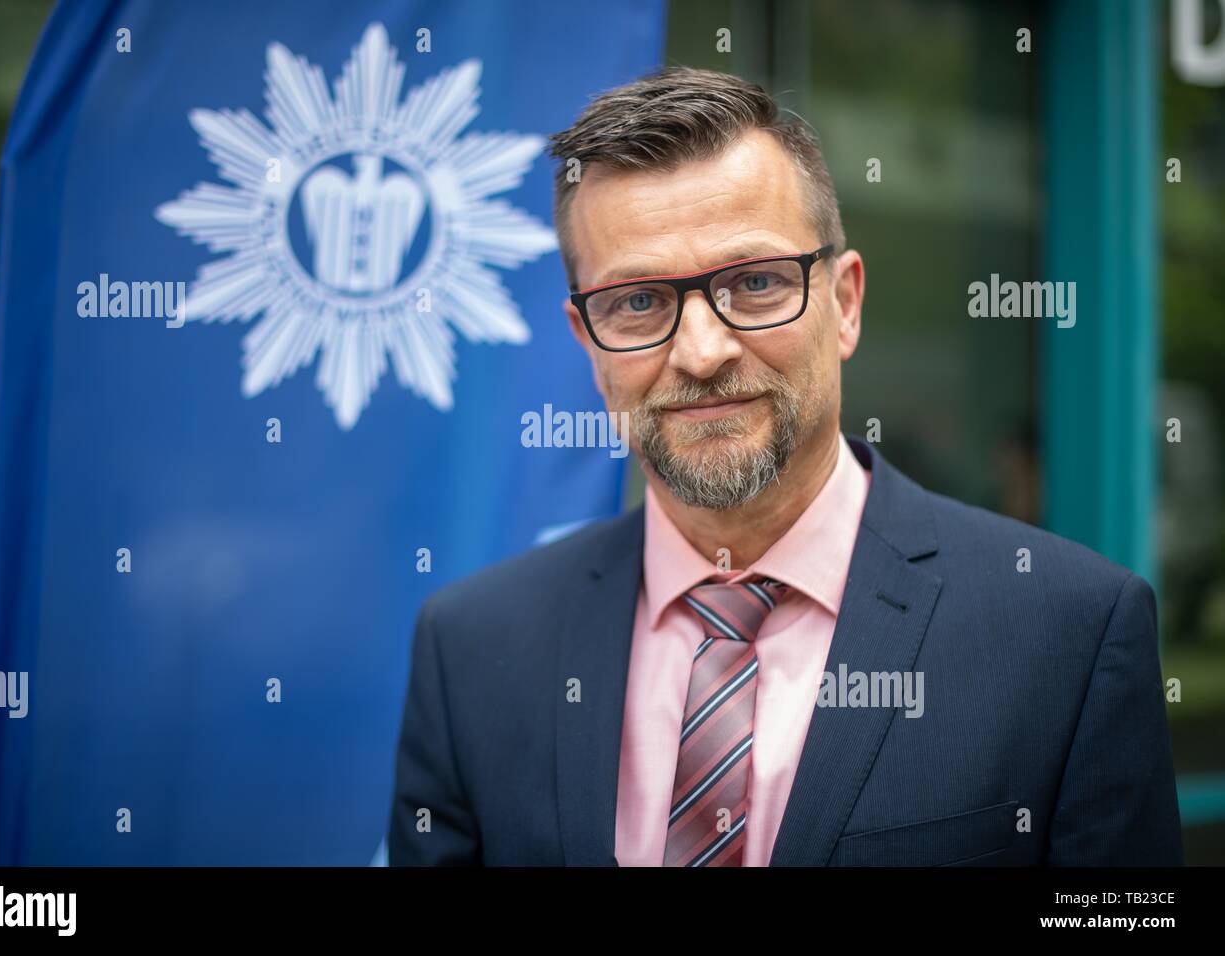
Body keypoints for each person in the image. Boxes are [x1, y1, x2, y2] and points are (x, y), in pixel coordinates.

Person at [386, 66, 1182, 866]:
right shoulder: (472, 652)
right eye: (637, 302)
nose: (700, 353)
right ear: (587, 343)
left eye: (755, 283)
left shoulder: (1070, 637)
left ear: (845, 303)